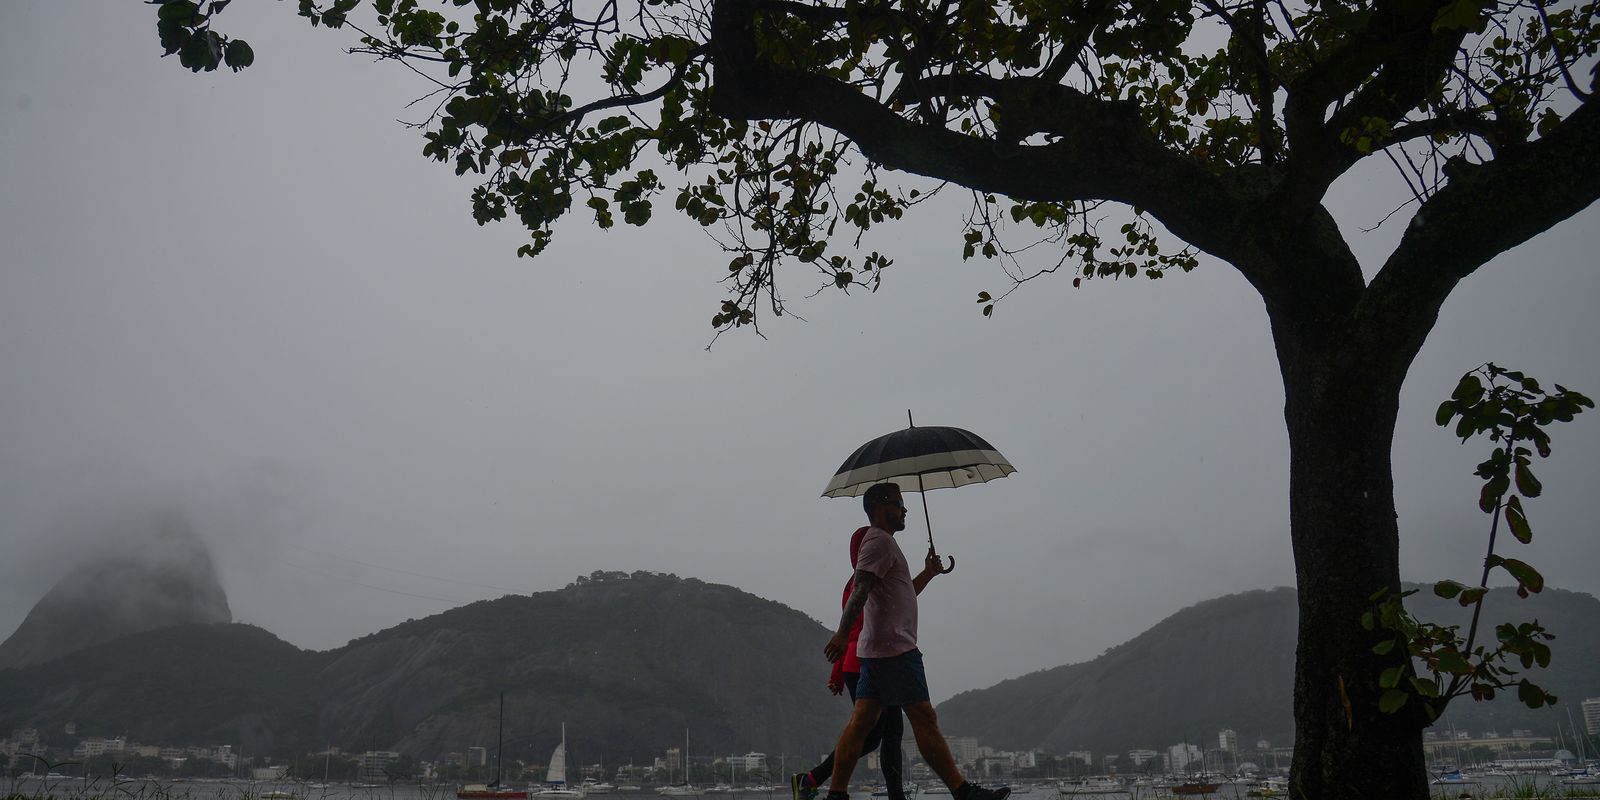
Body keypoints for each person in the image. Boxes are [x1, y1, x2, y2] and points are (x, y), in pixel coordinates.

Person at [820, 483, 1008, 800]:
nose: (904, 509)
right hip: (895, 651)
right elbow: (860, 591)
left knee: (861, 723)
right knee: (923, 717)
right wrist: (841, 634)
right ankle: (962, 791)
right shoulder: (878, 542)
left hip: (880, 651)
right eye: (898, 503)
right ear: (880, 507)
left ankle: (836, 793)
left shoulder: (885, 544)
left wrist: (928, 572)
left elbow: (900, 595)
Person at [790, 527, 905, 800]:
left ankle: (811, 778)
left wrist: (929, 573)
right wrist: (838, 672)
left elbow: (900, 602)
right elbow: (853, 630)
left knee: (879, 734)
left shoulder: (863, 581)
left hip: (865, 663)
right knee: (881, 734)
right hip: (870, 662)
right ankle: (816, 780)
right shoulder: (864, 583)